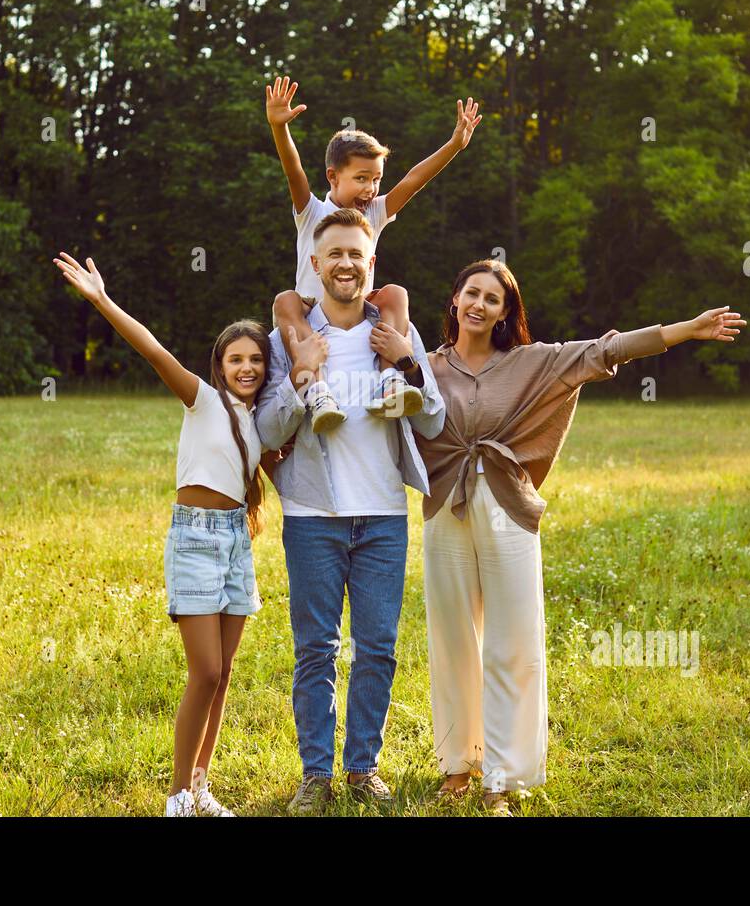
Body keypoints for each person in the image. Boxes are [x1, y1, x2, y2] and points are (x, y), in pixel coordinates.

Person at [415, 259, 747, 814]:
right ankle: (457, 764)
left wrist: (685, 330)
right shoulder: (423, 368)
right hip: (445, 508)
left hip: (507, 507)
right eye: (471, 293)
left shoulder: (531, 363)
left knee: (510, 641)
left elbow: (606, 350)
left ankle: (502, 774)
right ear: (454, 301)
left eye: (492, 299)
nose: (479, 304)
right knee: (452, 636)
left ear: (504, 313)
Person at [52, 251, 271, 818]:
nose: (246, 367)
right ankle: (177, 793)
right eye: (236, 358)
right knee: (203, 670)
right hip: (195, 540)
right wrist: (102, 300)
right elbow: (153, 350)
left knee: (222, 678)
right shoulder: (202, 400)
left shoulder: (264, 424)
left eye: (256, 360)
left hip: (235, 545)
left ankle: (202, 786)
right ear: (219, 365)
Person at [254, 207, 445, 813]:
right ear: (316, 264)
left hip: (384, 516)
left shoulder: (393, 332)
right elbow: (265, 430)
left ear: (371, 263)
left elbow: (434, 417)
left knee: (378, 646)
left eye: (354, 255)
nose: (344, 264)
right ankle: (316, 773)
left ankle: (362, 766)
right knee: (316, 649)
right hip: (314, 517)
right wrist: (299, 375)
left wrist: (410, 364)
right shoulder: (286, 339)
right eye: (333, 254)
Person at [264, 74, 480, 431]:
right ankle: (317, 391)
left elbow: (412, 180)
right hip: (313, 311)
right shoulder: (312, 212)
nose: (371, 188)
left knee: (395, 293)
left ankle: (390, 380)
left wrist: (454, 145)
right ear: (333, 177)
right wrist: (278, 128)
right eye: (361, 178)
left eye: (376, 179)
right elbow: (293, 169)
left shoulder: (373, 213)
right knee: (285, 300)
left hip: (357, 309)